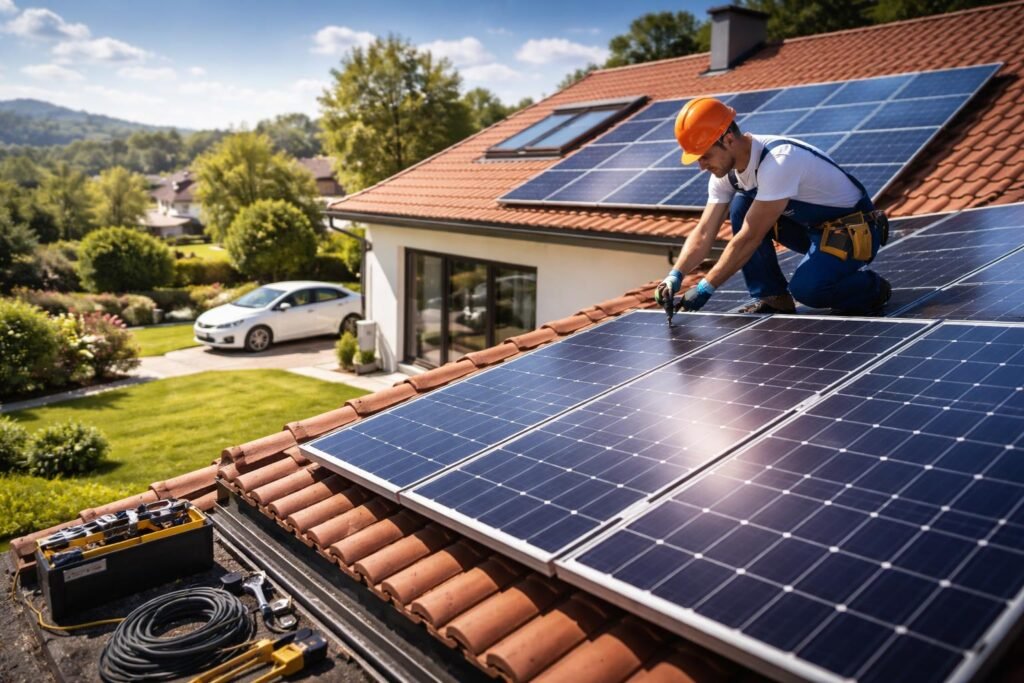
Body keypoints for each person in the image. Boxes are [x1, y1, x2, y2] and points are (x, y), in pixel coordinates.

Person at [654, 97, 891, 316]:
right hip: (811, 230)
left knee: (809, 290)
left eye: (705, 156)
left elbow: (749, 237)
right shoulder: (726, 174)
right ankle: (774, 298)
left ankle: (873, 289)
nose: (701, 166)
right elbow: (705, 231)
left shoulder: (779, 160)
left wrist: (706, 287)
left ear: (728, 139)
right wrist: (675, 275)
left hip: (853, 233)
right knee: (742, 204)